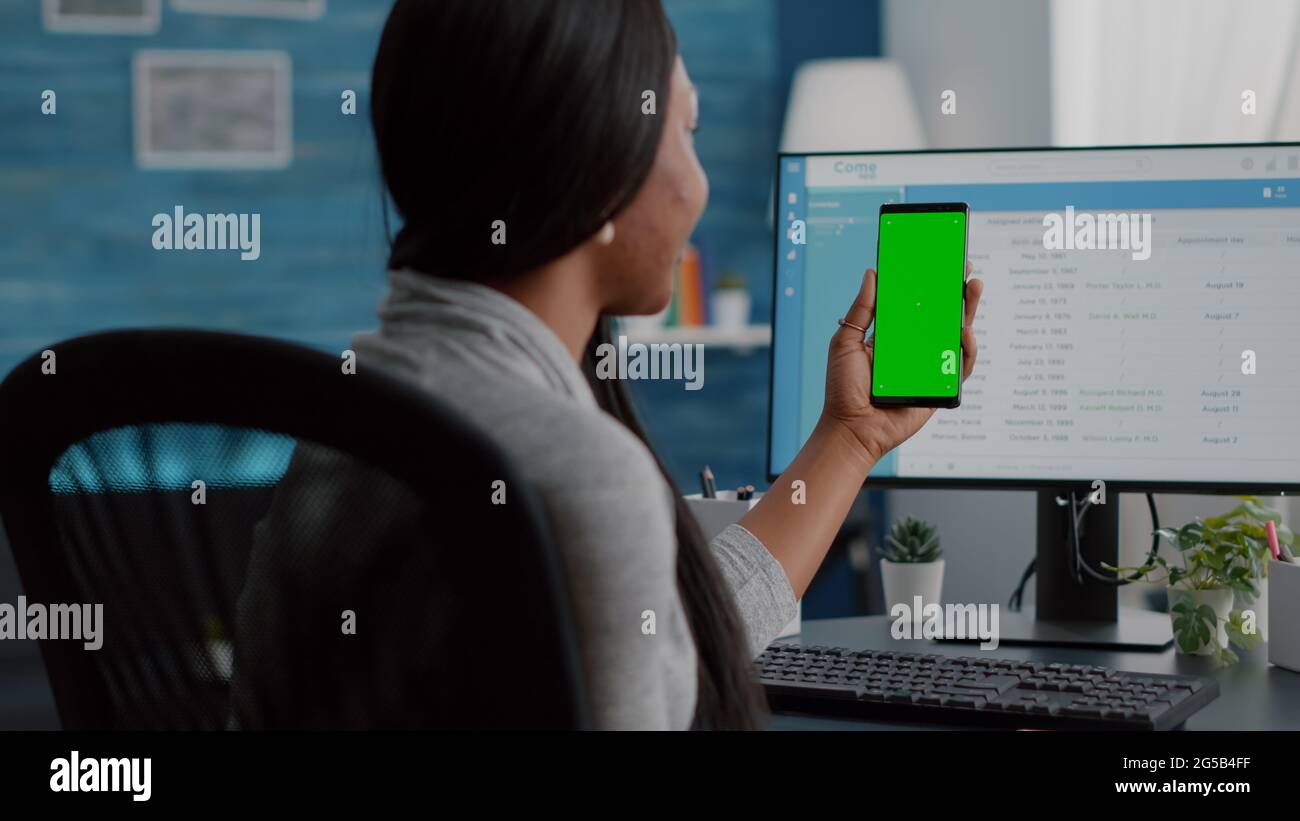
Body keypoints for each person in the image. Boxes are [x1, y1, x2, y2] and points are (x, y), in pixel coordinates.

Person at [239, 0, 982, 730]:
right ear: (599, 165)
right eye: (686, 132)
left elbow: (670, 648)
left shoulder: (340, 428)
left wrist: (849, 438)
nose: (701, 186)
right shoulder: (580, 474)